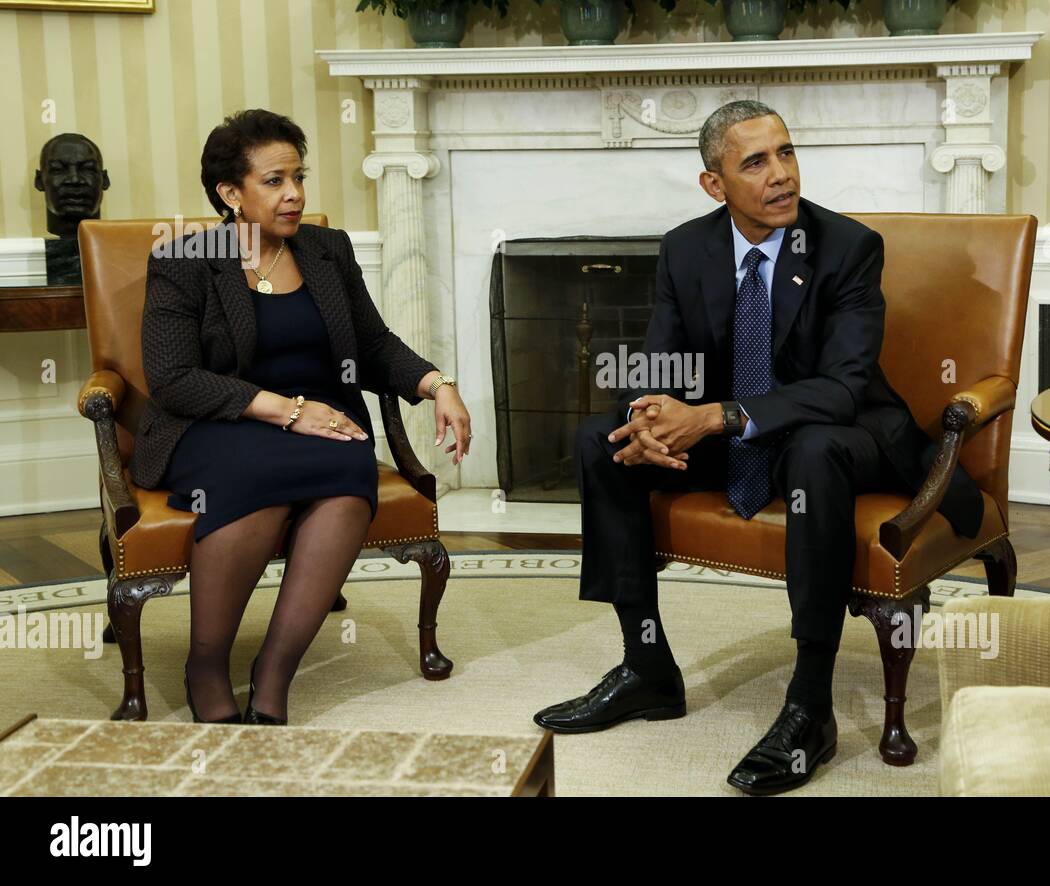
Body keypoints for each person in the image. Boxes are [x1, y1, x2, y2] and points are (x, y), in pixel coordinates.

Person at [533, 100, 985, 794]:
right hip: (743, 437)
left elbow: (841, 388)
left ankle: (810, 705)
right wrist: (650, 415)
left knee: (813, 448)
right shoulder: (687, 248)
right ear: (714, 184)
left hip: (847, 435)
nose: (780, 175)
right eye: (754, 163)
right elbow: (662, 366)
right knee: (602, 438)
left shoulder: (847, 247)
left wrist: (715, 416)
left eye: (786, 153)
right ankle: (646, 668)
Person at [130, 108, 471, 725]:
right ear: (230, 193)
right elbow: (175, 379)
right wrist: (287, 411)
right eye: (274, 181)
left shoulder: (326, 250)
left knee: (347, 479)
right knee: (252, 482)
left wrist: (435, 382)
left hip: (323, 425)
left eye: (299, 176)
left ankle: (273, 671)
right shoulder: (184, 262)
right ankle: (206, 665)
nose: (294, 194)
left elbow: (372, 344)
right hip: (217, 424)